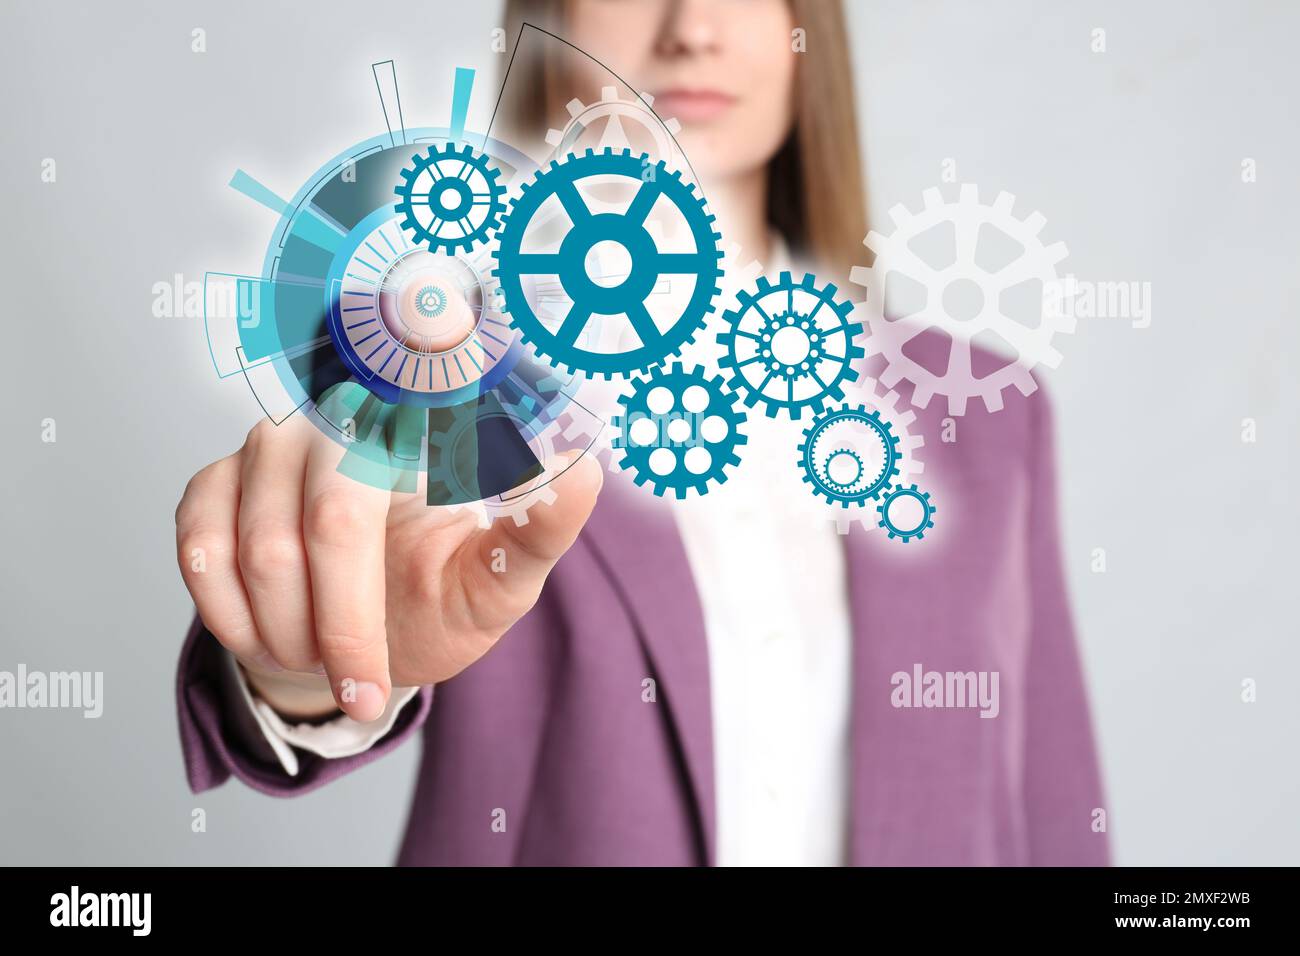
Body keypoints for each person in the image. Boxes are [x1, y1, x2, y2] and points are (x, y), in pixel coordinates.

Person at [174, 0, 1109, 865]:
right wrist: (298, 656)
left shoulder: (986, 412)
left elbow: (1056, 806)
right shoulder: (437, 359)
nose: (692, 27)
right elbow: (315, 637)